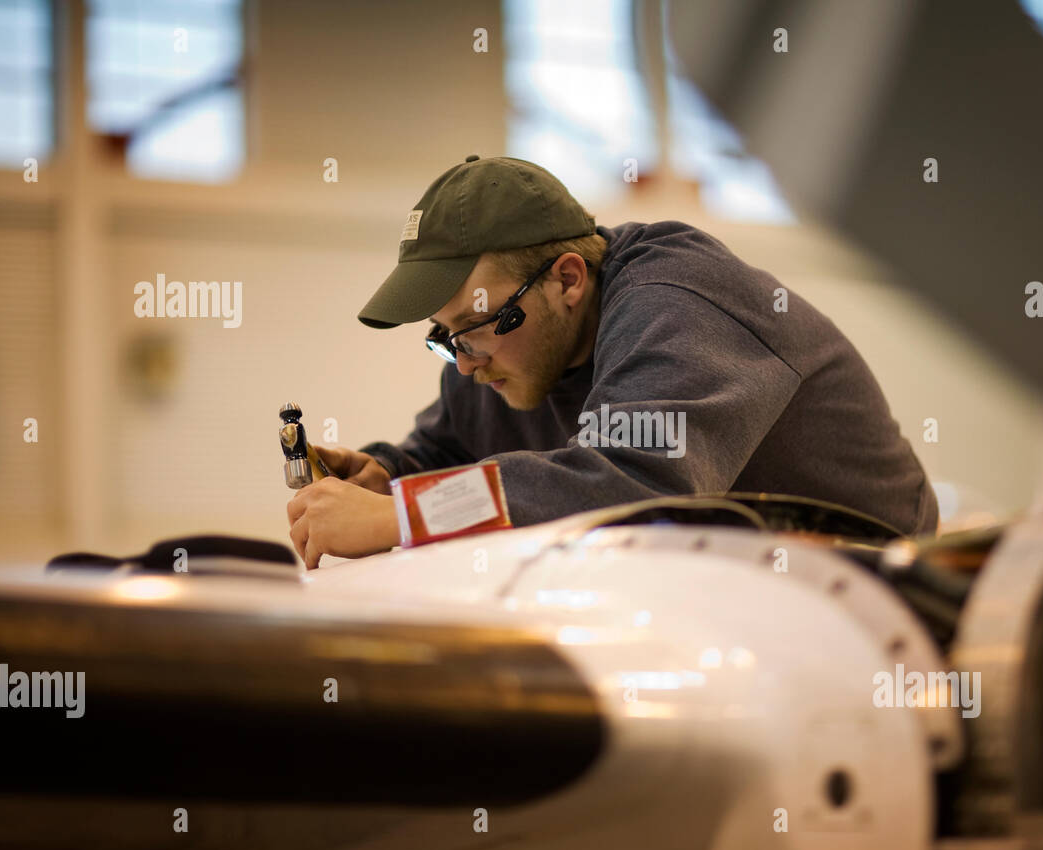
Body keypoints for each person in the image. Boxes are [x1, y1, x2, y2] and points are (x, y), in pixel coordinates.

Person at [287, 155, 938, 569]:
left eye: (476, 328)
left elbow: (632, 486)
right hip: (737, 588)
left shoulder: (675, 303)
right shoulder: (498, 346)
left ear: (568, 280)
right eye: (445, 336)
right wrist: (389, 475)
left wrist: (402, 515)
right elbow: (454, 449)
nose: (463, 363)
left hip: (886, 586)